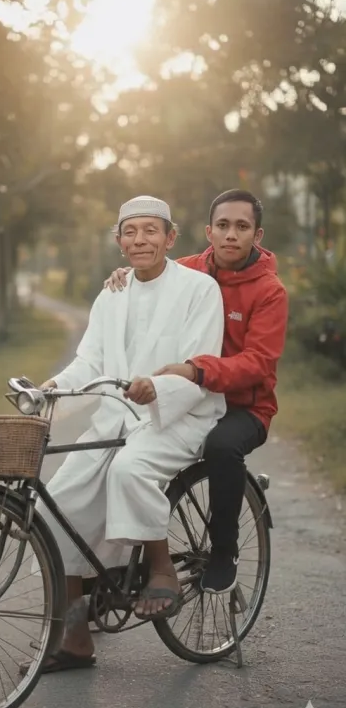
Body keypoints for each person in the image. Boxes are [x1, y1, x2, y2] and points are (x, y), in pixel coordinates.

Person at [23, 195, 227, 675]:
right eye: (130, 231)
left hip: (180, 415)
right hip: (118, 416)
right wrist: (49, 389)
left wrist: (157, 385)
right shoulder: (112, 293)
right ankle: (75, 638)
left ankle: (162, 572)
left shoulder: (199, 289)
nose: (140, 240)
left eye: (151, 230)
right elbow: (90, 361)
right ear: (119, 241)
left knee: (129, 468)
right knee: (57, 506)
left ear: (170, 238)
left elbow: (201, 360)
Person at [104, 188, 289, 596]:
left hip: (245, 407)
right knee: (116, 450)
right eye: (222, 226)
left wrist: (196, 369)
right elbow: (151, 274)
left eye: (242, 227)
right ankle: (108, 567)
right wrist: (125, 278)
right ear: (208, 231)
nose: (230, 235)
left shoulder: (270, 291)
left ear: (257, 236)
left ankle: (224, 550)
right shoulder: (188, 270)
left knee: (222, 447)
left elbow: (259, 362)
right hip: (195, 396)